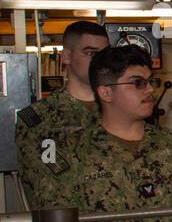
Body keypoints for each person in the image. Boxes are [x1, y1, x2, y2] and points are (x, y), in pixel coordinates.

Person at [73, 44, 172, 222]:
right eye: (138, 83)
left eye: (150, 81)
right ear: (106, 93)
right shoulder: (77, 154)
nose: (150, 90)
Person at [16, 20, 108, 210]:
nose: (100, 62)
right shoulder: (37, 118)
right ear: (66, 56)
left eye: (105, 55)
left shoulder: (122, 108)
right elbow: (49, 183)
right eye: (91, 53)